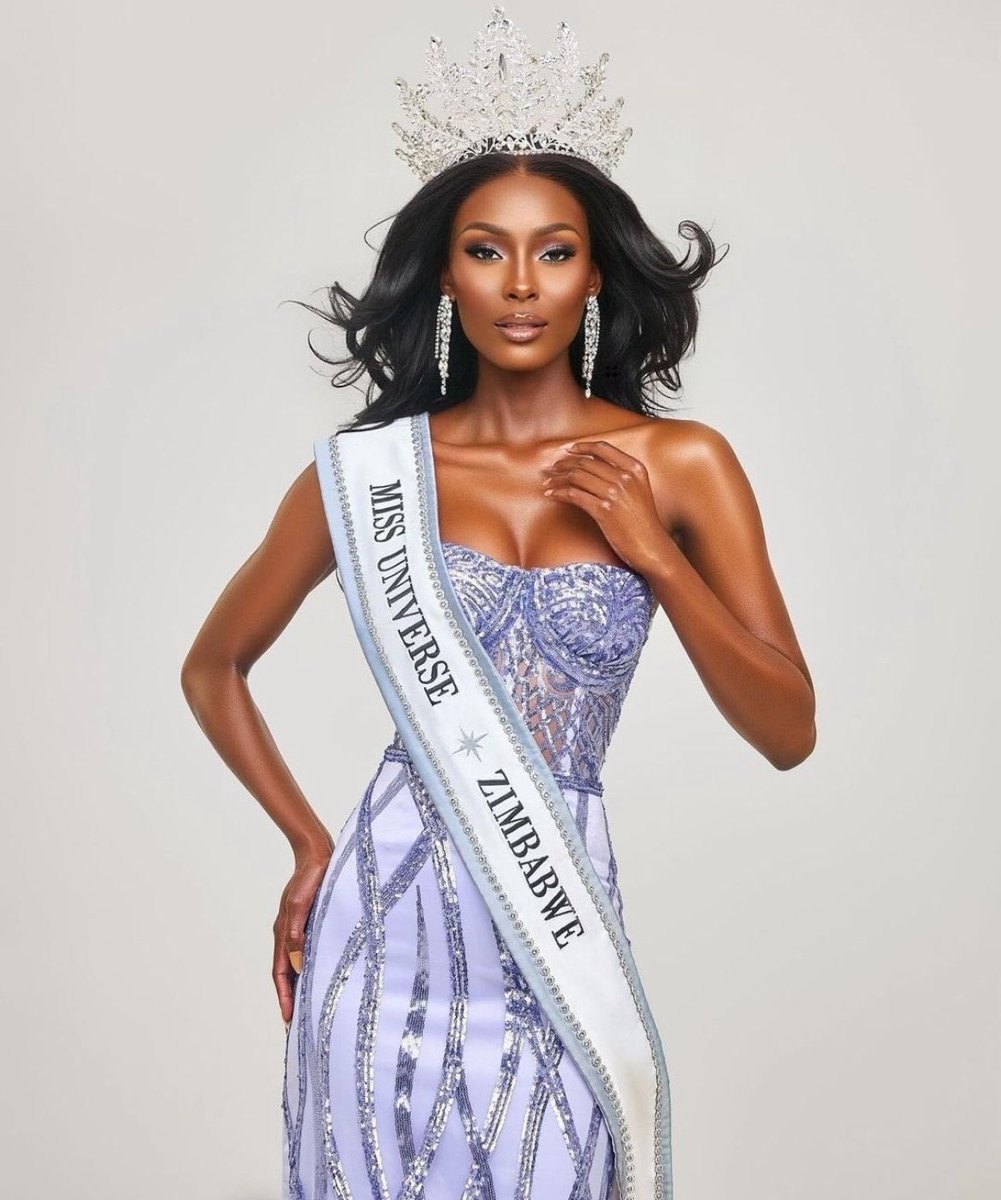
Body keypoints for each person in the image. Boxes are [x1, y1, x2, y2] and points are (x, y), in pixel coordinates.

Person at [180, 8, 816, 1199]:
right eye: (485, 250)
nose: (520, 285)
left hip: (556, 924)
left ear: (594, 272)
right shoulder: (369, 474)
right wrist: (311, 843)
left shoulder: (682, 467)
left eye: (553, 251)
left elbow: (788, 728)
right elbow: (212, 666)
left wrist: (656, 558)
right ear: (445, 273)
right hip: (383, 929)